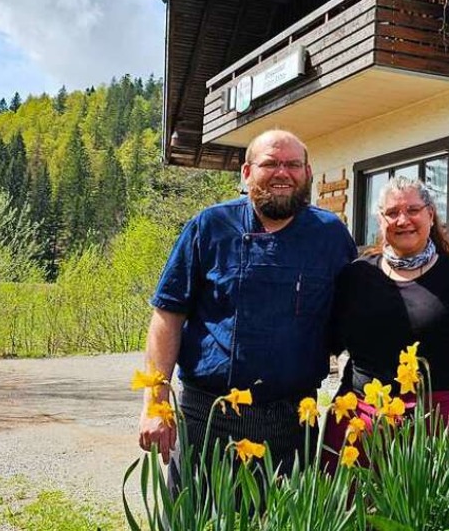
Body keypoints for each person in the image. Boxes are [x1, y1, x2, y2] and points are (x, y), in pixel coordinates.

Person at [137, 129, 356, 486]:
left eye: (293, 164)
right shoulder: (209, 226)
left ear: (308, 172)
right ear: (246, 173)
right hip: (207, 416)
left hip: (292, 418)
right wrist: (155, 405)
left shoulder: (330, 235)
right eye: (270, 163)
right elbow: (167, 316)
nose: (282, 173)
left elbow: (355, 317)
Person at [324, 176, 449, 460]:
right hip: (362, 421)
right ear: (380, 220)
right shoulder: (356, 276)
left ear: (430, 214)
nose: (403, 220)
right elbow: (332, 343)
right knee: (355, 505)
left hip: (442, 422)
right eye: (392, 213)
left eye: (413, 210)